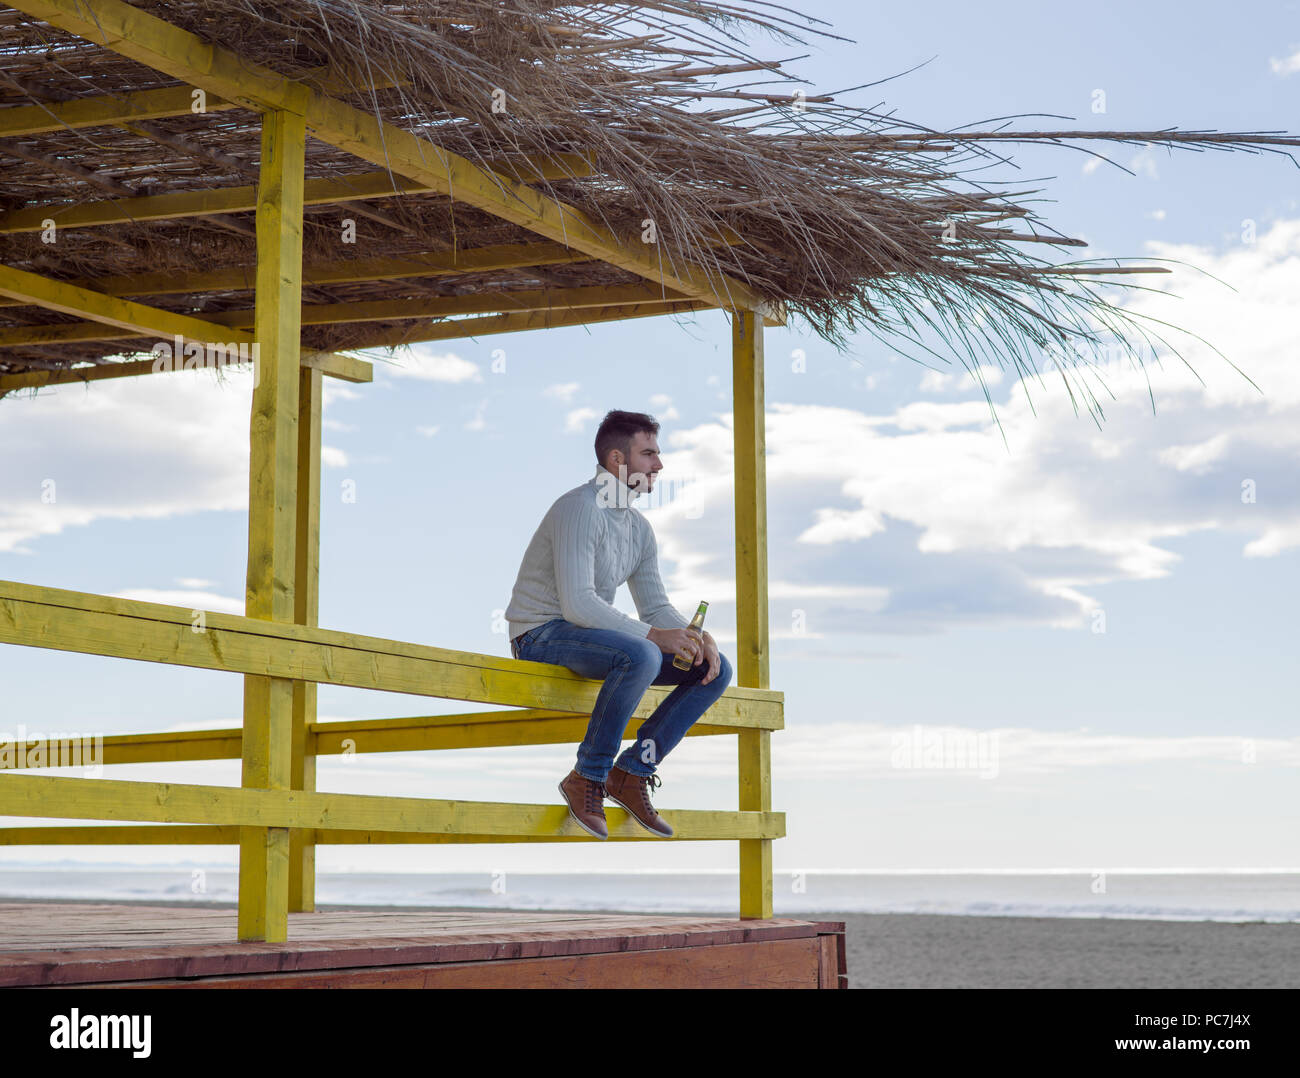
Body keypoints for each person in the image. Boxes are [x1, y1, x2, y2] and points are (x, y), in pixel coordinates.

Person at [504, 409, 733, 840]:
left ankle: (631, 771)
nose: (659, 465)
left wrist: (694, 636)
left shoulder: (639, 529)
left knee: (713, 669)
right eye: (648, 454)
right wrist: (657, 638)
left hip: (593, 640)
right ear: (615, 459)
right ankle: (587, 777)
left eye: (658, 454)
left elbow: (655, 607)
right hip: (540, 635)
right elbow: (578, 605)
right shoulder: (579, 508)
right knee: (643, 652)